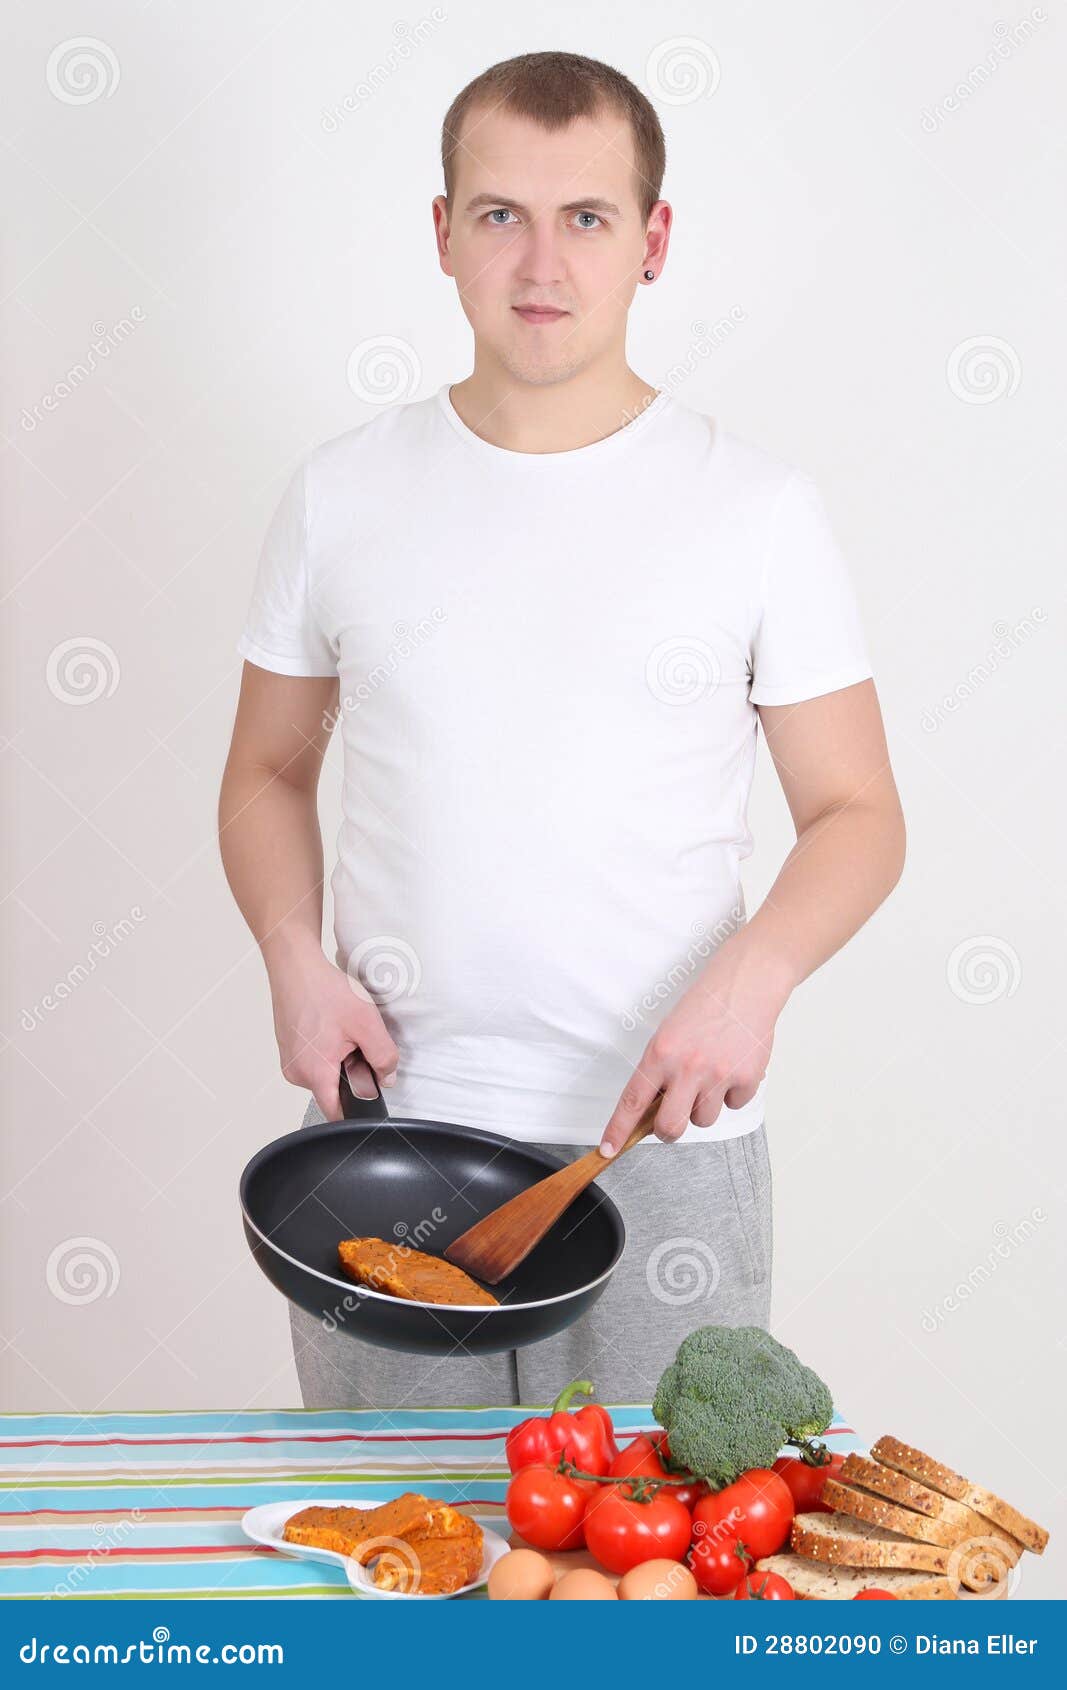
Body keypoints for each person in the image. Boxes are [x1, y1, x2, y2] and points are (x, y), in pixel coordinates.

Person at [219, 50, 905, 1412]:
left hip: (664, 1151)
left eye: (586, 216)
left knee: (647, 1590)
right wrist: (293, 956)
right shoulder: (339, 494)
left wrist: (753, 978)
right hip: (391, 1141)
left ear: (652, 242)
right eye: (500, 215)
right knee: (403, 1577)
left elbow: (860, 815)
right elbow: (266, 770)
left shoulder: (754, 508)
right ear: (443, 234)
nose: (542, 261)